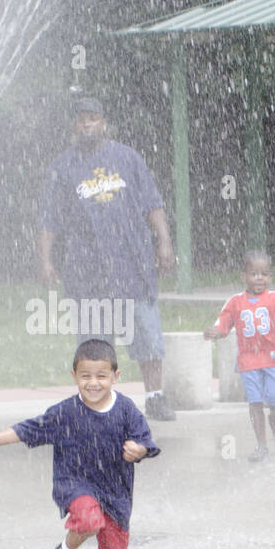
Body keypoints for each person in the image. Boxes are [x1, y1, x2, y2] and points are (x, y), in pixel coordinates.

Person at [0, 339, 159, 549]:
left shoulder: (126, 410)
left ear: (116, 376)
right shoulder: (66, 412)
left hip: (116, 488)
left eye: (101, 376)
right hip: (75, 482)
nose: (93, 383)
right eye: (85, 376)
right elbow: (31, 429)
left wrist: (138, 450)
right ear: (74, 376)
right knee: (89, 520)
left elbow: (146, 441)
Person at [38, 97, 178, 421]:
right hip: (87, 269)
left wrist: (165, 243)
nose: (87, 124)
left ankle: (155, 397)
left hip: (133, 264)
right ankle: (96, 405)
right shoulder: (62, 167)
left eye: (93, 118)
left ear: (103, 122)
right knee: (94, 342)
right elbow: (49, 219)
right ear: (74, 125)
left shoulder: (127, 158)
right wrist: (45, 261)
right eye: (81, 119)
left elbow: (152, 203)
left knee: (146, 334)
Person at [203, 250, 275, 462]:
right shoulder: (235, 302)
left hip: (273, 358)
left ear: (270, 277)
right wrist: (216, 333)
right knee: (255, 402)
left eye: (264, 274)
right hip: (249, 361)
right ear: (243, 276)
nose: (259, 278)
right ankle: (261, 445)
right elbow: (224, 324)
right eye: (254, 273)